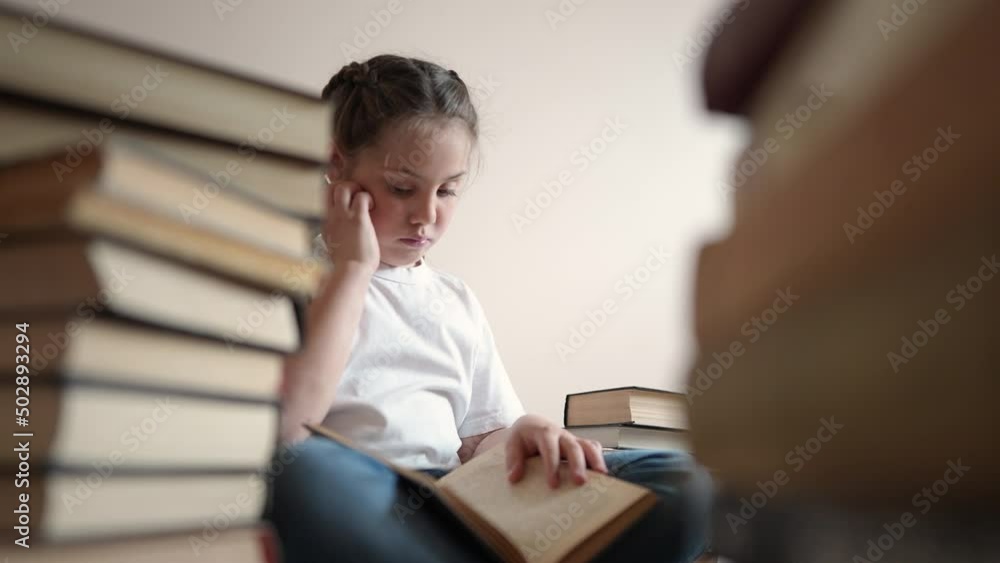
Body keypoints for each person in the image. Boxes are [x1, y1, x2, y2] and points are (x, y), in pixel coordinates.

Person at [265, 54, 712, 563]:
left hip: (457, 502)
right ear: (336, 166)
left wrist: (527, 431)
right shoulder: (294, 277)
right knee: (298, 475)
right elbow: (290, 429)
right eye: (402, 188)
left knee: (681, 480)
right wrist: (352, 269)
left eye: (448, 189)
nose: (428, 215)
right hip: (366, 494)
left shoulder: (453, 299)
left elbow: (482, 438)